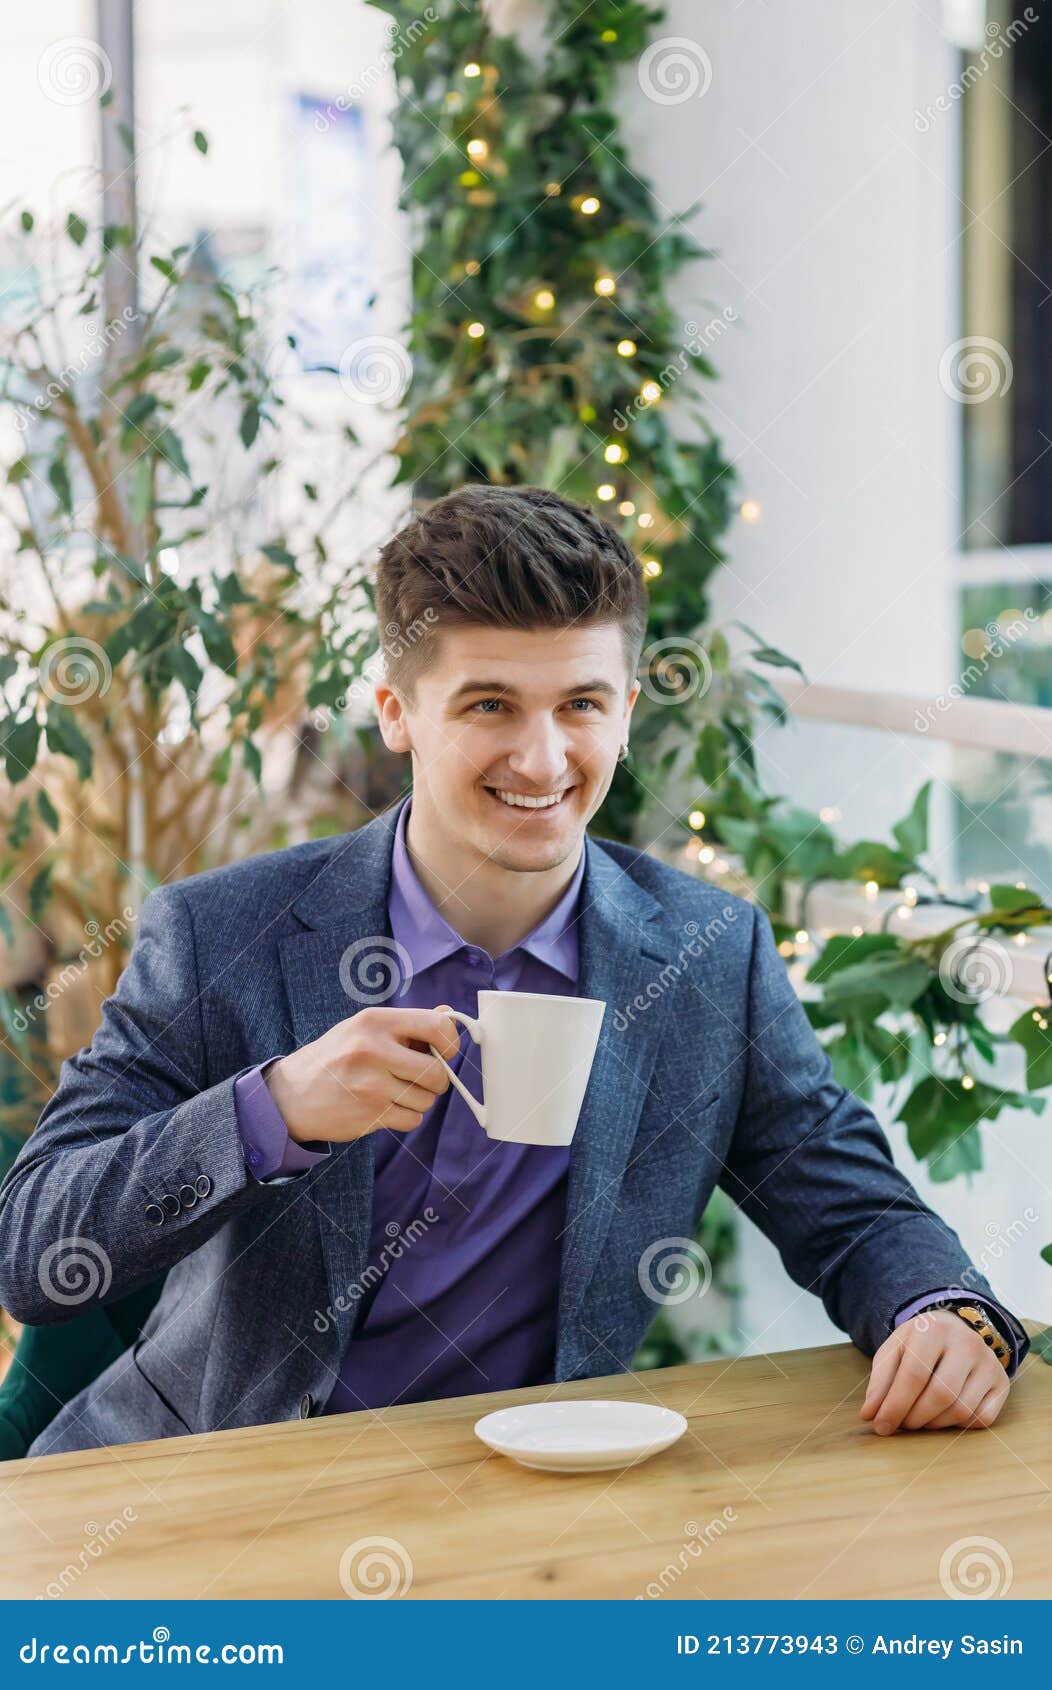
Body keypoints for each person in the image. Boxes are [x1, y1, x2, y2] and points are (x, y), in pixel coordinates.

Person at [0, 484, 1027, 1457]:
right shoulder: (223, 934)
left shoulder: (707, 957)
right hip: (215, 1485)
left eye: (579, 705)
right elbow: (37, 1249)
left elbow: (850, 1207)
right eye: (488, 705)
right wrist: (275, 1109)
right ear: (396, 714)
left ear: (624, 708)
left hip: (529, 1495)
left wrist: (944, 1309)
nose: (541, 761)